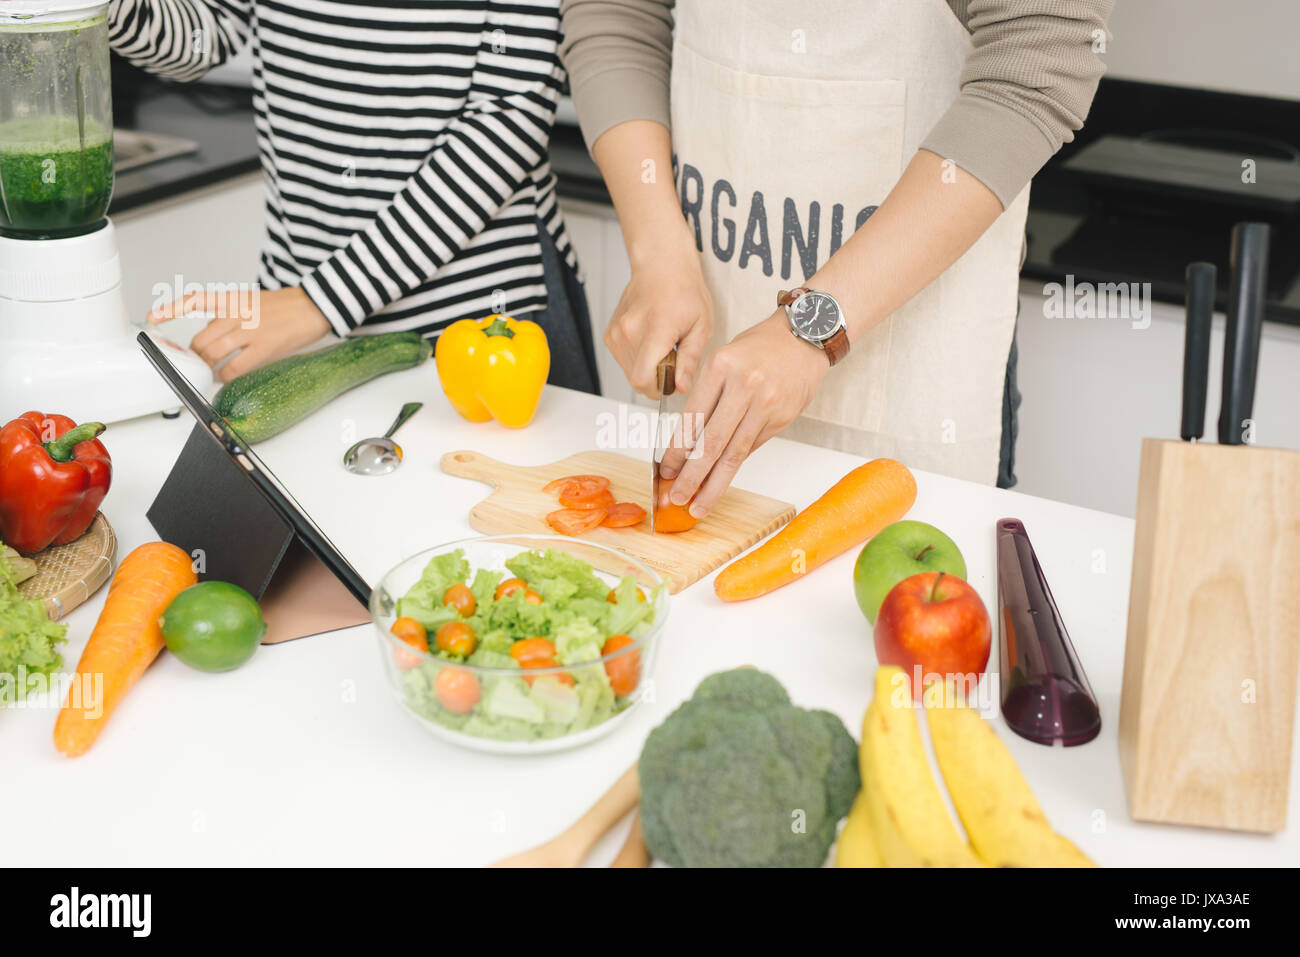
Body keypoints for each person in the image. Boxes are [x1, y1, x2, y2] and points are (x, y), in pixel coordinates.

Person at [561, 0, 1113, 515]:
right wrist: (658, 247)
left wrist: (810, 327)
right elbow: (616, 12)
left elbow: (1040, 58)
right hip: (711, 286)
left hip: (916, 355)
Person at [112, 0, 600, 391]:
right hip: (296, 305)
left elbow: (509, 116)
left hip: (477, 318)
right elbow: (206, 30)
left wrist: (321, 302)